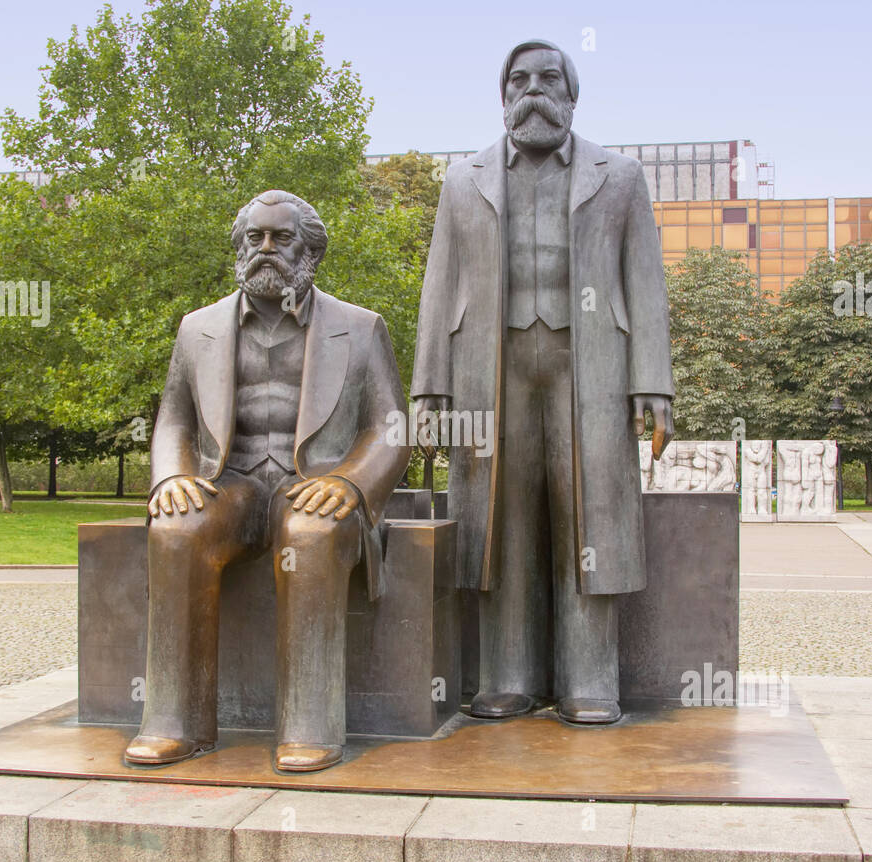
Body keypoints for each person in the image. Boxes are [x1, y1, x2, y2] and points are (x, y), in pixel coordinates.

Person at [411, 40, 675, 724]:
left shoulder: (619, 176)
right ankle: (507, 675)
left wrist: (654, 382)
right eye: (518, 80)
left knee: (587, 511)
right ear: (503, 96)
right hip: (487, 368)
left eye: (547, 77)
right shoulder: (462, 179)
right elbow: (440, 283)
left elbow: (644, 280)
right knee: (500, 518)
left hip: (589, 367)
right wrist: (428, 386)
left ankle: (590, 679)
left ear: (571, 94)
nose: (533, 89)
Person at [125, 190, 409, 772]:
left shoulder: (360, 327)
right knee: (176, 529)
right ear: (239, 246)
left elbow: (391, 428)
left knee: (310, 531)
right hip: (230, 484)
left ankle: (310, 725)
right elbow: (173, 419)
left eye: (282, 238)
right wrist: (171, 477)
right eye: (255, 238)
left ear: (310, 252)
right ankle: (176, 723)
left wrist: (352, 484)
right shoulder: (197, 329)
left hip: (314, 483)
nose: (267, 249)